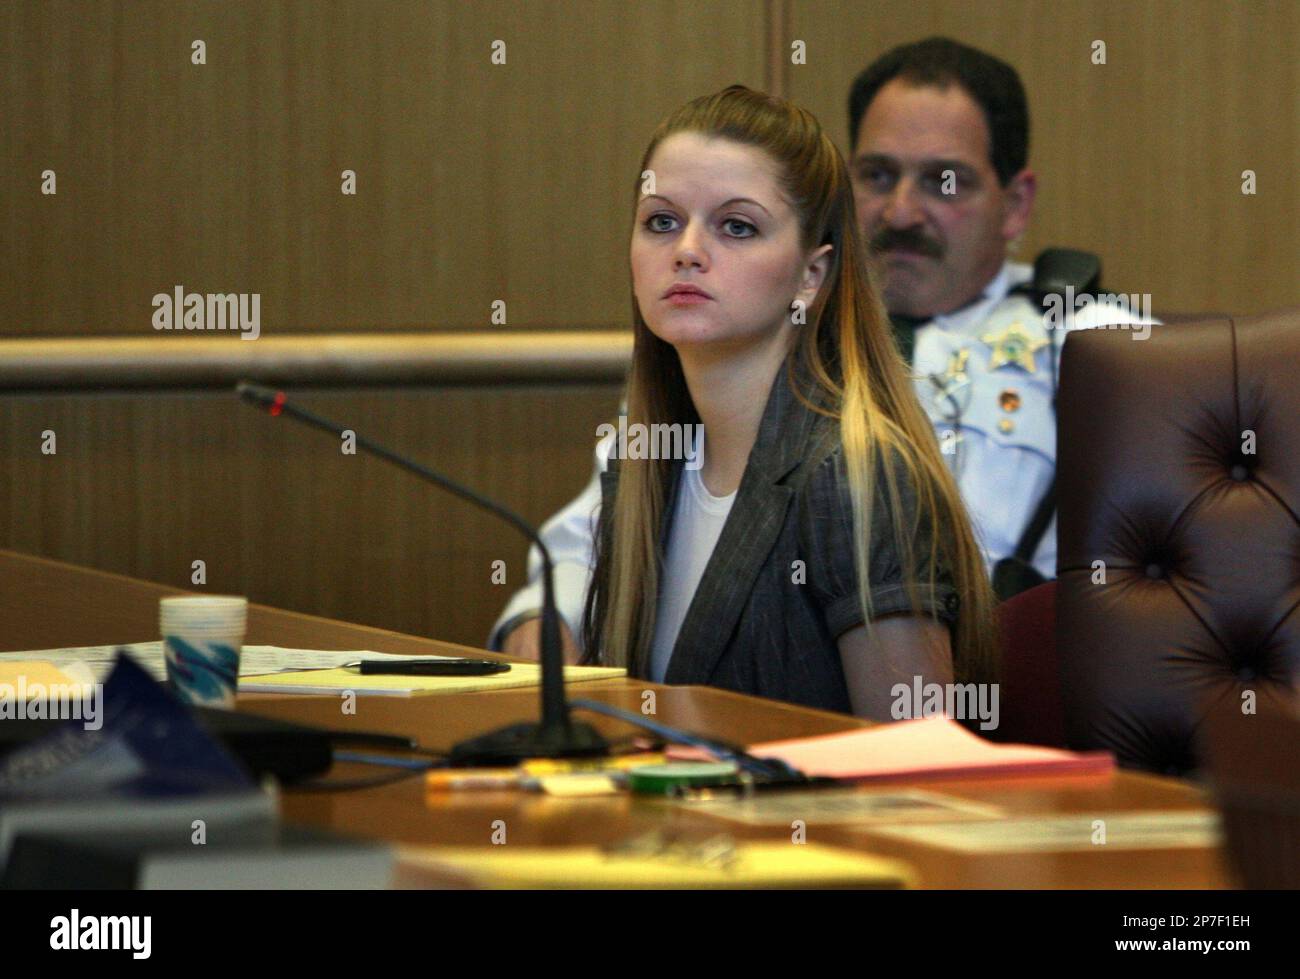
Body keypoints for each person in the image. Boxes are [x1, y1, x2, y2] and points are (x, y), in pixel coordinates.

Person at [490, 37, 1151, 663]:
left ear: (1015, 204)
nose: (900, 212)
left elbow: (1160, 580)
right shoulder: (744, 334)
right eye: (877, 175)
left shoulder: (1085, 339)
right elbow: (601, 532)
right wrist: (547, 616)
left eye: (942, 182)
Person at [560, 84, 994, 717]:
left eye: (737, 226)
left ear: (810, 276)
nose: (686, 250)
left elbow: (911, 762)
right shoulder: (643, 464)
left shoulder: (855, 473)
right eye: (661, 221)